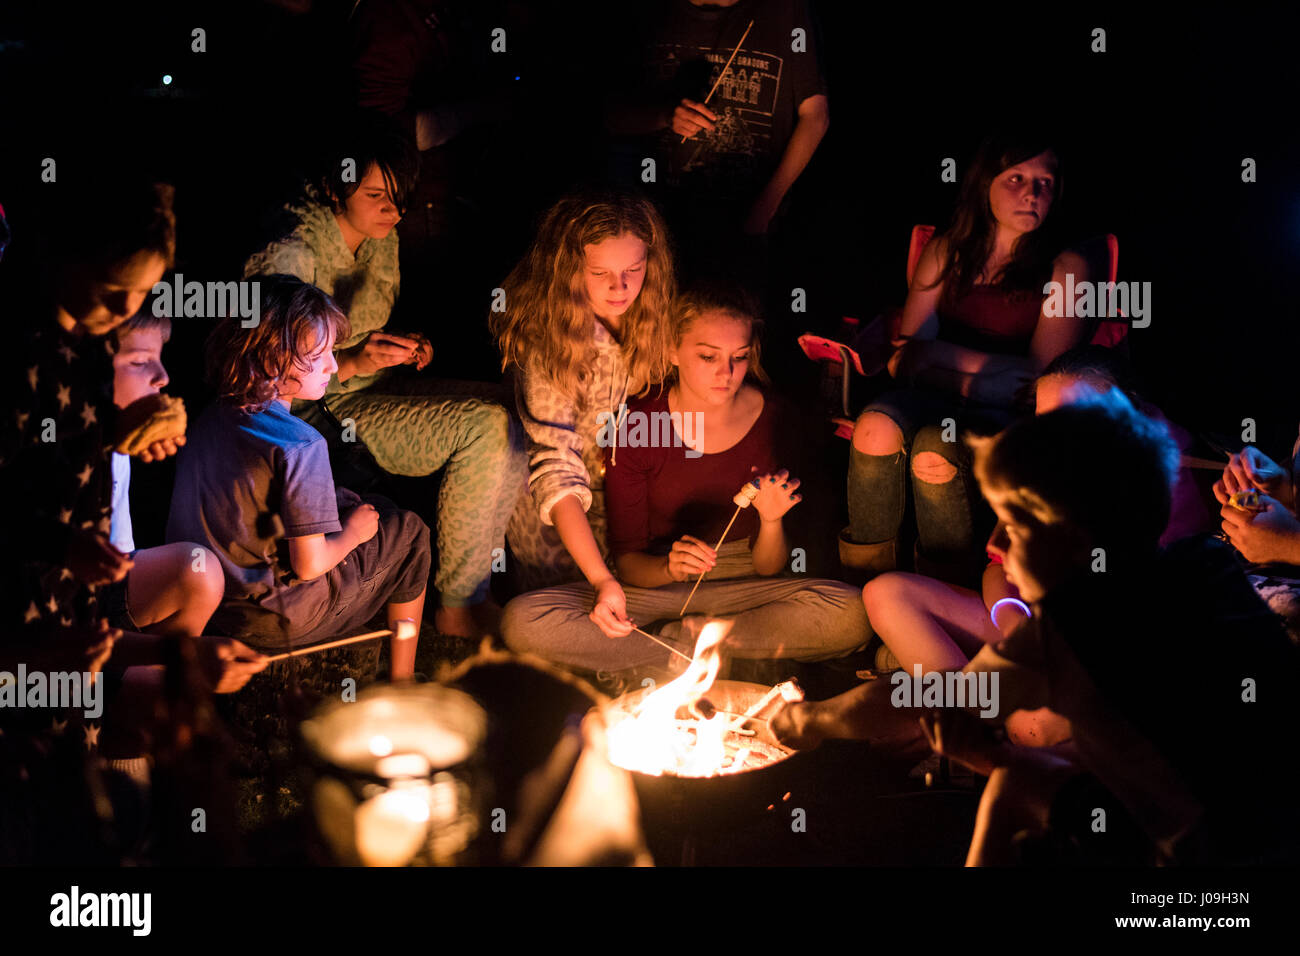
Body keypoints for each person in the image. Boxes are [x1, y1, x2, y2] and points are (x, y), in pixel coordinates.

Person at [783, 391, 1300, 864]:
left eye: (1014, 527)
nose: (1000, 547)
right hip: (1261, 827)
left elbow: (921, 696)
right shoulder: (1204, 562)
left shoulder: (1074, 630)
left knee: (1018, 787)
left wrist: (810, 721)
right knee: (1017, 778)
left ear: (1068, 538)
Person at [0, 178, 261, 864]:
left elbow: (62, 459)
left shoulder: (86, 340)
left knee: (77, 760)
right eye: (113, 288)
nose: (124, 310)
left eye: (141, 294)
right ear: (56, 254)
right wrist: (58, 540)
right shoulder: (21, 355)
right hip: (22, 610)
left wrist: (120, 433)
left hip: (63, 597)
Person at [243, 110, 525, 638]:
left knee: (514, 406)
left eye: (399, 197)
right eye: (377, 196)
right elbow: (273, 375)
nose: (393, 211)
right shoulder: (291, 254)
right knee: (484, 427)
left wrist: (404, 347)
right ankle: (459, 604)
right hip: (317, 413)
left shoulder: (377, 235)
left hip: (367, 384)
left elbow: (364, 330)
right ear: (334, 187)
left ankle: (522, 576)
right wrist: (353, 361)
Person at [845, 347, 1213, 747]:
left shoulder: (1161, 477)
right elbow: (997, 567)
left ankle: (974, 733)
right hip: (1034, 631)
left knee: (1032, 724)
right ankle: (967, 725)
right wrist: (1015, 623)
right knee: (887, 594)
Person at [502, 283, 868, 676]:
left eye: (739, 357)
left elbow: (768, 568)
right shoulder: (642, 425)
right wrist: (669, 570)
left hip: (745, 591)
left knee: (852, 614)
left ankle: (681, 646)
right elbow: (628, 563)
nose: (726, 373)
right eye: (707, 356)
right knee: (523, 620)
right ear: (672, 351)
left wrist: (772, 521)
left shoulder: (776, 419)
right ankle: (712, 652)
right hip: (658, 587)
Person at [842, 133, 1091, 585]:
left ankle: (942, 594)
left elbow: (1039, 384)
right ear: (985, 184)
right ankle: (865, 591)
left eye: (1045, 182)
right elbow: (904, 362)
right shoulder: (945, 250)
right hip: (945, 392)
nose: (1032, 193)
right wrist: (965, 369)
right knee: (873, 427)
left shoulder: (1066, 267)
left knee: (936, 449)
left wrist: (936, 355)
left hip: (1008, 412)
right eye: (1016, 177)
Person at [166, 275, 431, 661]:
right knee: (408, 531)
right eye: (320, 354)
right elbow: (308, 566)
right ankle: (404, 680)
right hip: (280, 618)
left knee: (366, 503)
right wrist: (353, 535)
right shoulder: (300, 444)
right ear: (274, 358)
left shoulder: (212, 416)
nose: (333, 364)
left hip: (215, 604)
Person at [492, 189, 677, 641]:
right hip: (559, 511)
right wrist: (599, 577)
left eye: (634, 270)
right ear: (567, 270)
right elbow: (555, 465)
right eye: (601, 273)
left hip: (626, 493)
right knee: (571, 620)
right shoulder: (548, 341)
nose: (622, 287)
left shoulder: (649, 317)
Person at [606, 0, 830, 277]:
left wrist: (766, 206)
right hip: (660, 230)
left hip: (749, 228)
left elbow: (816, 116)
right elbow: (607, 119)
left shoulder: (784, 10)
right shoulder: (650, 11)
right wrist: (665, 115)